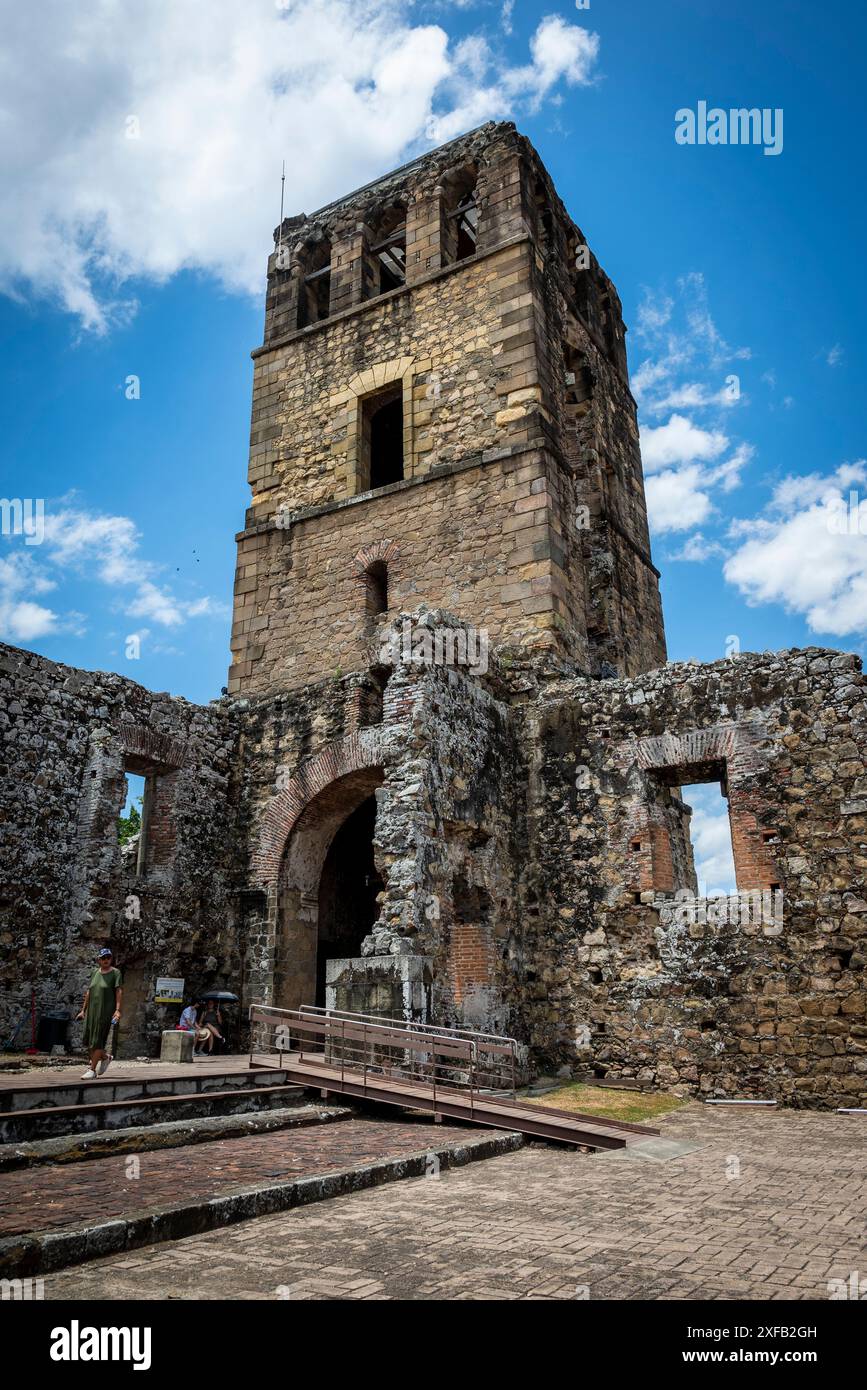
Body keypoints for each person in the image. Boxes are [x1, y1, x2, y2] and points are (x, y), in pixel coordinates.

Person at [76, 948, 123, 1080]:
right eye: (103, 958)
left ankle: (92, 1070)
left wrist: (117, 1010)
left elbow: (118, 991)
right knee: (89, 1040)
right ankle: (105, 1057)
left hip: (105, 1011)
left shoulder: (115, 973)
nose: (106, 960)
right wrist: (82, 1010)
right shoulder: (94, 972)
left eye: (108, 958)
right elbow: (89, 992)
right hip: (92, 1011)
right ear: (99, 960)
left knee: (97, 1040)